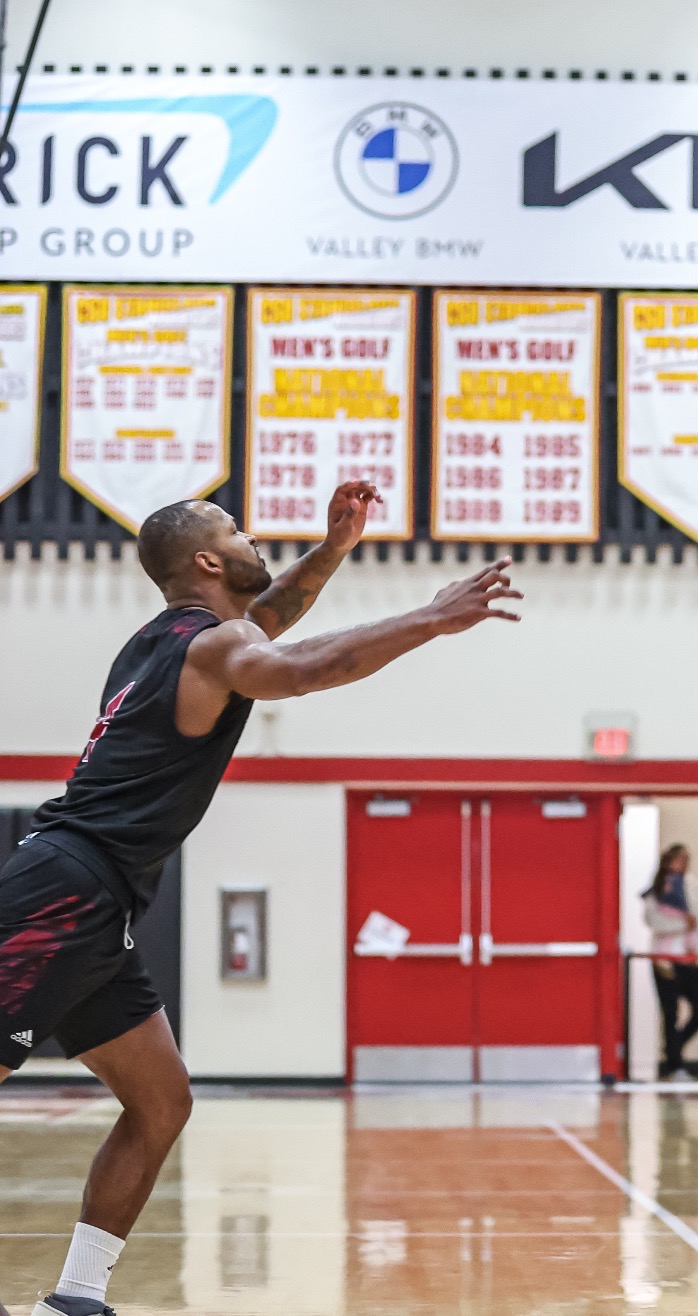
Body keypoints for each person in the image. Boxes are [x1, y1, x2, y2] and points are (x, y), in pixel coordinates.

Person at [0, 485, 519, 1316]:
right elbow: (304, 667)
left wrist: (337, 546)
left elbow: (271, 618)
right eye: (234, 530)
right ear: (207, 560)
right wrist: (431, 617)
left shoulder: (165, 641)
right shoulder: (214, 648)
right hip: (66, 891)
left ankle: (73, 1300)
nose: (250, 536)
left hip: (98, 897)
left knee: (162, 1101)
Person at [644, 843, 698, 1082]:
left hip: (692, 958)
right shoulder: (658, 889)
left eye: (687, 858)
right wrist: (681, 925)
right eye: (679, 859)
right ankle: (675, 1064)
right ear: (669, 861)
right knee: (670, 1013)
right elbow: (653, 921)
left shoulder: (693, 884)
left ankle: (673, 1048)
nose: (684, 864)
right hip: (666, 959)